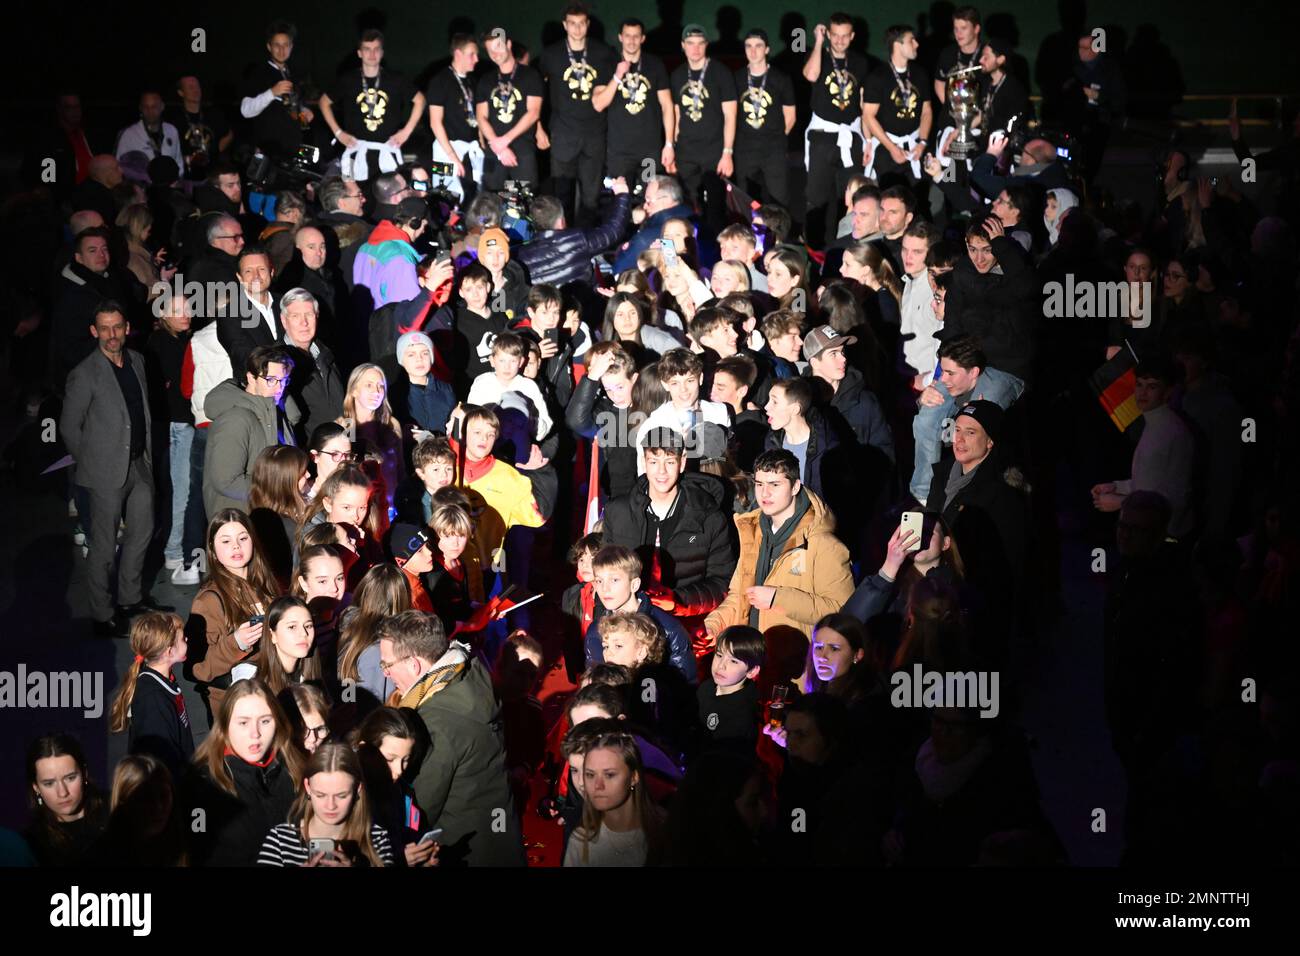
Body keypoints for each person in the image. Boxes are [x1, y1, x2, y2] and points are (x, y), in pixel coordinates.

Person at [380, 609, 526, 866]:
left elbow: (423, 805)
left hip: (465, 852)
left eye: (387, 665)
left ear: (414, 665)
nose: (385, 674)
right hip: (498, 842)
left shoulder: (434, 722)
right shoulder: (468, 672)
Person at [60, 302, 159, 637]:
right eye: (104, 328)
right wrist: (91, 463)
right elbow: (70, 427)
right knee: (103, 547)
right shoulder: (84, 374)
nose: (112, 334)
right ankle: (102, 615)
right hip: (104, 473)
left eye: (117, 327)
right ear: (94, 331)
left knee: (141, 534)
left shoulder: (138, 361)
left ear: (126, 327)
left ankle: (130, 599)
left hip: (139, 465)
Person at [704, 449, 854, 641]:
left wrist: (778, 599)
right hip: (753, 658)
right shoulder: (753, 532)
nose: (765, 493)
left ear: (795, 487)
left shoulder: (823, 544)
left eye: (774, 484)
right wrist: (713, 625)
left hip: (796, 663)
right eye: (759, 484)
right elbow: (739, 597)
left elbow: (842, 612)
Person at [600, 427, 737, 618]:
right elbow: (605, 571)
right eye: (654, 462)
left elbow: (722, 581)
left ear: (682, 463)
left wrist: (678, 601)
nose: (661, 471)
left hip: (684, 626)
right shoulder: (617, 512)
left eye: (670, 462)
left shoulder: (709, 517)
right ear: (644, 463)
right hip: (628, 625)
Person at [187, 679, 303, 866]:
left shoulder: (295, 768)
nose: (255, 733)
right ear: (224, 726)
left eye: (265, 721)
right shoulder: (201, 787)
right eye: (243, 723)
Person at [911, 335, 1024, 506]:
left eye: (950, 373)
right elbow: (946, 440)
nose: (943, 380)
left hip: (993, 488)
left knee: (972, 432)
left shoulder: (993, 396)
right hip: (951, 478)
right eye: (942, 372)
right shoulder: (954, 384)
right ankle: (925, 497)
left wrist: (973, 416)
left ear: (973, 372)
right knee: (927, 421)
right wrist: (922, 401)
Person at [1091, 359, 1196, 539]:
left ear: (1168, 391)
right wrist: (1116, 486)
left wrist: (1120, 502)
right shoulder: (1157, 423)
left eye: (1152, 386)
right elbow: (1148, 481)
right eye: (1139, 385)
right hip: (1153, 529)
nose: (1142, 392)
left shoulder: (1169, 430)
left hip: (1164, 534)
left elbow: (1168, 497)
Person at [257, 741, 394, 866]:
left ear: (357, 789)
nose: (330, 805)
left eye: (341, 796)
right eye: (321, 795)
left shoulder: (377, 839)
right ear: (308, 787)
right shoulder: (280, 840)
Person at [537, 3, 616, 220]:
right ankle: (564, 244)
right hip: (563, 133)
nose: (577, 29)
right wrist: (538, 127)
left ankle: (586, 243)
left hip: (594, 132)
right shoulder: (551, 55)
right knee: (562, 194)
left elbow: (608, 94)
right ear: (565, 25)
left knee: (591, 197)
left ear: (587, 25)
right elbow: (536, 94)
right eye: (572, 24)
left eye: (581, 24)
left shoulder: (602, 53)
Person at [802, 14, 872, 247]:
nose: (840, 41)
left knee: (852, 197)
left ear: (852, 37)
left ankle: (848, 246)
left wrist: (868, 140)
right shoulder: (819, 56)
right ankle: (814, 249)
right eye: (835, 35)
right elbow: (810, 75)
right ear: (828, 34)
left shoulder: (861, 62)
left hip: (851, 137)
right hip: (822, 137)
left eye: (845, 36)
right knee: (817, 198)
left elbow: (864, 104)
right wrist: (819, 42)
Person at [203, 345, 296, 518]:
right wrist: (278, 490)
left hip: (268, 514)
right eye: (271, 380)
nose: (279, 388)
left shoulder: (275, 412)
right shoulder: (236, 419)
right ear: (251, 378)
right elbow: (226, 481)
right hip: (239, 521)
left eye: (284, 381)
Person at [320, 30, 424, 182]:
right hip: (353, 151)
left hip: (387, 151)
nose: (372, 54)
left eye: (376, 49)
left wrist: (406, 132)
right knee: (350, 194)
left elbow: (420, 100)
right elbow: (324, 102)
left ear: (382, 53)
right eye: (367, 49)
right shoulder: (348, 80)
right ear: (359, 53)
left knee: (390, 198)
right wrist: (338, 133)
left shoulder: (395, 79)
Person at [584, 545, 696, 684]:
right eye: (599, 581)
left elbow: (685, 686)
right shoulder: (595, 630)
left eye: (614, 580)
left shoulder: (667, 628)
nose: (605, 588)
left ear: (634, 584)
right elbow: (594, 683)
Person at [146, 294, 197, 577]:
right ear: (162, 314)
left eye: (188, 307)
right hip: (175, 425)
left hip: (180, 423)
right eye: (177, 309)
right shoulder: (161, 344)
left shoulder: (180, 340)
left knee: (180, 490)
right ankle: (174, 551)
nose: (185, 313)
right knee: (180, 491)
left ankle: (175, 548)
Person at [563, 727, 665, 865]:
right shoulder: (580, 840)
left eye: (609, 774)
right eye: (590, 774)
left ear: (634, 776)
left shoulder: (669, 831)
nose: (596, 785)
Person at [350, 707, 439, 867]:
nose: (399, 771)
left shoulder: (403, 791)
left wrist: (423, 855)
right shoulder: (345, 795)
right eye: (390, 759)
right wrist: (398, 860)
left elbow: (414, 831)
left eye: (406, 760)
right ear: (364, 749)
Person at [109, 612, 194, 774]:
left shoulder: (162, 680)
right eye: (183, 639)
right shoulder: (153, 701)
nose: (187, 639)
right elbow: (161, 761)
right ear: (169, 652)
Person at [670, 24, 737, 230]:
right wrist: (671, 147)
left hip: (714, 151)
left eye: (700, 44)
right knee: (687, 206)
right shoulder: (677, 74)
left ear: (706, 45)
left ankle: (715, 252)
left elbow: (730, 115)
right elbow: (675, 114)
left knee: (715, 208)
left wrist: (727, 152)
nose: (695, 49)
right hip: (686, 150)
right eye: (690, 44)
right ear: (683, 46)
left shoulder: (720, 72)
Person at [594, 18, 675, 186]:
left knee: (650, 196)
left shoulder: (655, 65)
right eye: (627, 36)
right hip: (620, 153)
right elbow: (599, 104)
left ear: (643, 38)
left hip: (649, 151)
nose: (631, 41)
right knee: (621, 199)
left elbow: (667, 106)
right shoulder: (608, 64)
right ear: (620, 37)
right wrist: (617, 76)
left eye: (636, 36)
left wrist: (669, 144)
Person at [515, 180, 632, 287]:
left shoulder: (522, 254)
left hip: (546, 308)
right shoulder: (577, 240)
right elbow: (613, 231)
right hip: (579, 306)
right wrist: (622, 194)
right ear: (561, 221)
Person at [804, 325, 895, 461]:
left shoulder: (865, 401)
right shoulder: (801, 401)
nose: (843, 359)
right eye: (833, 354)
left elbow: (885, 452)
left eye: (842, 352)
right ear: (815, 362)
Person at [732, 29, 796, 207]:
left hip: (773, 150)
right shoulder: (735, 79)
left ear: (767, 49)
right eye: (749, 46)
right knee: (745, 200)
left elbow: (790, 116)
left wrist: (775, 139)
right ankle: (748, 235)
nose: (753, 51)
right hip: (745, 149)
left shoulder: (781, 79)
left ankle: (779, 235)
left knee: (779, 200)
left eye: (758, 46)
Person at [24, 734, 109, 867]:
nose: (62, 793)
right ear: (36, 788)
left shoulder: (117, 810)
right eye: (49, 783)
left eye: (70, 778)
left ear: (84, 774)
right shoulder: (32, 844)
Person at [475, 26, 545, 189]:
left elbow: (533, 113)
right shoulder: (486, 80)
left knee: (522, 202)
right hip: (494, 151)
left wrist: (505, 141)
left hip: (521, 151)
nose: (495, 54)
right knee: (490, 202)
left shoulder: (530, 75)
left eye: (498, 47)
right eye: (490, 51)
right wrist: (499, 147)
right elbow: (481, 117)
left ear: (508, 44)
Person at [863, 26, 931, 188]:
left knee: (919, 199)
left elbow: (926, 111)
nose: (916, 44)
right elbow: (868, 116)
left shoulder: (920, 74)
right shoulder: (878, 77)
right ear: (897, 45)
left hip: (914, 147)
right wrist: (892, 148)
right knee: (890, 199)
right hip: (887, 150)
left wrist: (922, 142)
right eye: (911, 41)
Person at [338, 563, 412, 713]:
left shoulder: (349, 629)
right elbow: (377, 703)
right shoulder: (381, 650)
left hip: (348, 713)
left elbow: (348, 688)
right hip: (370, 723)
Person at [239, 20, 312, 158]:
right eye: (277, 45)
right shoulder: (258, 73)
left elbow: (294, 108)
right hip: (267, 153)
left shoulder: (294, 75)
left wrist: (304, 112)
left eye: (286, 45)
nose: (282, 50)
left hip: (293, 150)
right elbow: (245, 111)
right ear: (269, 47)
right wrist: (272, 92)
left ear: (291, 47)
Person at [278, 288, 344, 440]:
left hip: (339, 452)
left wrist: (350, 441)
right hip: (308, 455)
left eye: (309, 314)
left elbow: (343, 407)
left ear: (317, 316)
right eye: (295, 316)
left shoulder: (328, 355)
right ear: (284, 320)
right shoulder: (278, 362)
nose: (304, 323)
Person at [338, 364, 405, 510]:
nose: (376, 391)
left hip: (391, 508)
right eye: (369, 385)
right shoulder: (345, 426)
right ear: (354, 390)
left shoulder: (392, 425)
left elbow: (401, 472)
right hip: (360, 509)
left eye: (380, 386)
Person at [427, 34, 484, 203]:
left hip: (470, 151)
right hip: (446, 151)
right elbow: (435, 122)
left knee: (475, 197)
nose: (476, 59)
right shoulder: (440, 81)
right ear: (458, 54)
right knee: (445, 197)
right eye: (472, 54)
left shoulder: (473, 81)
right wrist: (453, 157)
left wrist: (482, 142)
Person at [468, 332, 555, 442]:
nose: (507, 367)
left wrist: (529, 420)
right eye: (502, 360)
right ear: (492, 360)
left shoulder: (529, 387)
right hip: (486, 444)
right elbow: (470, 418)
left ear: (521, 362)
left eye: (513, 361)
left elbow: (545, 424)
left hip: (518, 447)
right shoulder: (482, 383)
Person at [230, 594, 321, 693]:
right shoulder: (250, 679)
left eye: (308, 626)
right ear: (272, 635)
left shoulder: (311, 674)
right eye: (292, 627)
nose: (304, 633)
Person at [697, 625, 763, 755]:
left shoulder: (745, 713)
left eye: (733, 661)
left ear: (752, 671)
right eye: (719, 655)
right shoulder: (705, 688)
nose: (721, 665)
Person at [217, 246, 282, 375]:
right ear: (240, 277)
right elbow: (245, 359)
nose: (256, 276)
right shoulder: (230, 315)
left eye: (262, 269)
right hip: (257, 389)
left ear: (272, 272)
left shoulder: (287, 304)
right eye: (248, 271)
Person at [352, 197, 426, 309]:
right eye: (424, 226)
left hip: (364, 322)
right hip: (387, 324)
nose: (424, 231)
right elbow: (408, 311)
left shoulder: (365, 247)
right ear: (414, 223)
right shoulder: (401, 257)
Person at [393, 330, 456, 437]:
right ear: (401, 360)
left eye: (425, 353)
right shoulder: (393, 394)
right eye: (411, 355)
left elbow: (457, 429)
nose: (419, 359)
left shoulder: (446, 389)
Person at [168, 75, 232, 179]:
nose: (195, 90)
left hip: (212, 174)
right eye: (190, 87)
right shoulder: (175, 119)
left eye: (197, 86)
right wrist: (187, 159)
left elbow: (228, 135)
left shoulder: (213, 113)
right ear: (181, 93)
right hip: (185, 176)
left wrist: (214, 152)